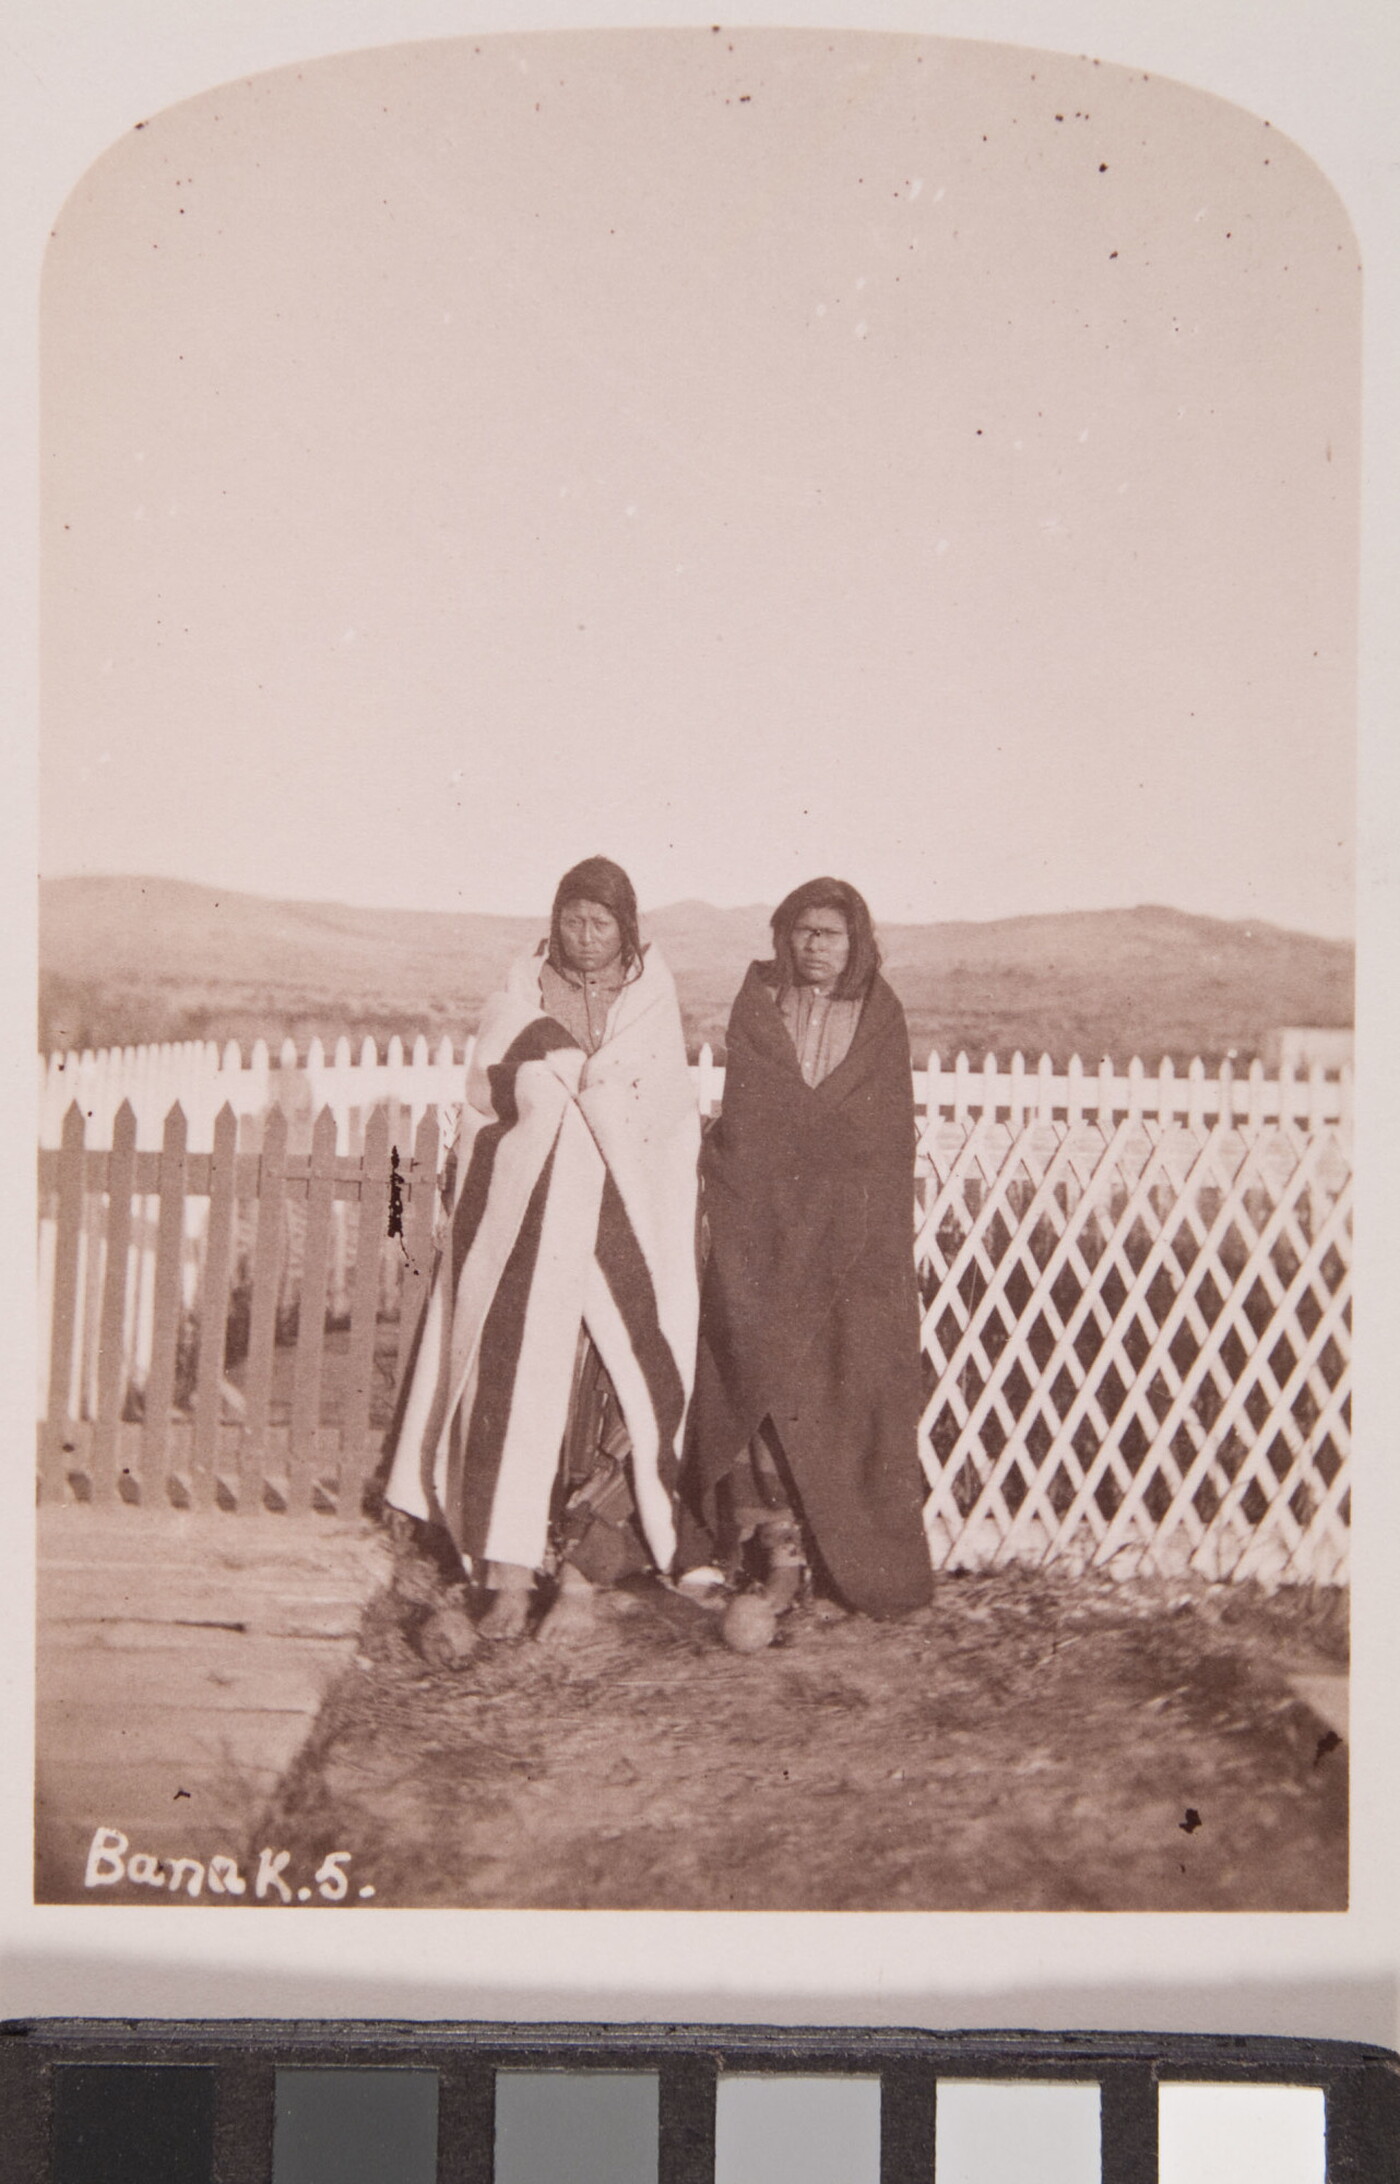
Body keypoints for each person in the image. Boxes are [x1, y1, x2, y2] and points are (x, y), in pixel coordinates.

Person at [383, 857, 700, 1642]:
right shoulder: (521, 990)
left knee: (622, 1393)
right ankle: (507, 1574)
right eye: (573, 921)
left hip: (617, 1222)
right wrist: (556, 1082)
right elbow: (493, 1091)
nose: (585, 938)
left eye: (603, 925)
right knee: (510, 1384)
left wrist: (592, 1093)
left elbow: (656, 1107)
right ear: (553, 921)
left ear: (629, 933)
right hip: (528, 1221)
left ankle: (583, 1564)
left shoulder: (651, 1001)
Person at [682, 876, 933, 1625]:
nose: (814, 946)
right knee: (757, 1376)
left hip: (850, 1244)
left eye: (830, 934)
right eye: (802, 932)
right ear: (782, 937)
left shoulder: (879, 1018)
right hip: (763, 1232)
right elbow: (752, 1122)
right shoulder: (759, 1009)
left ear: (857, 943)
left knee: (849, 1382)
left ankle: (848, 1560)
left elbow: (884, 1138)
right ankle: (764, 1541)